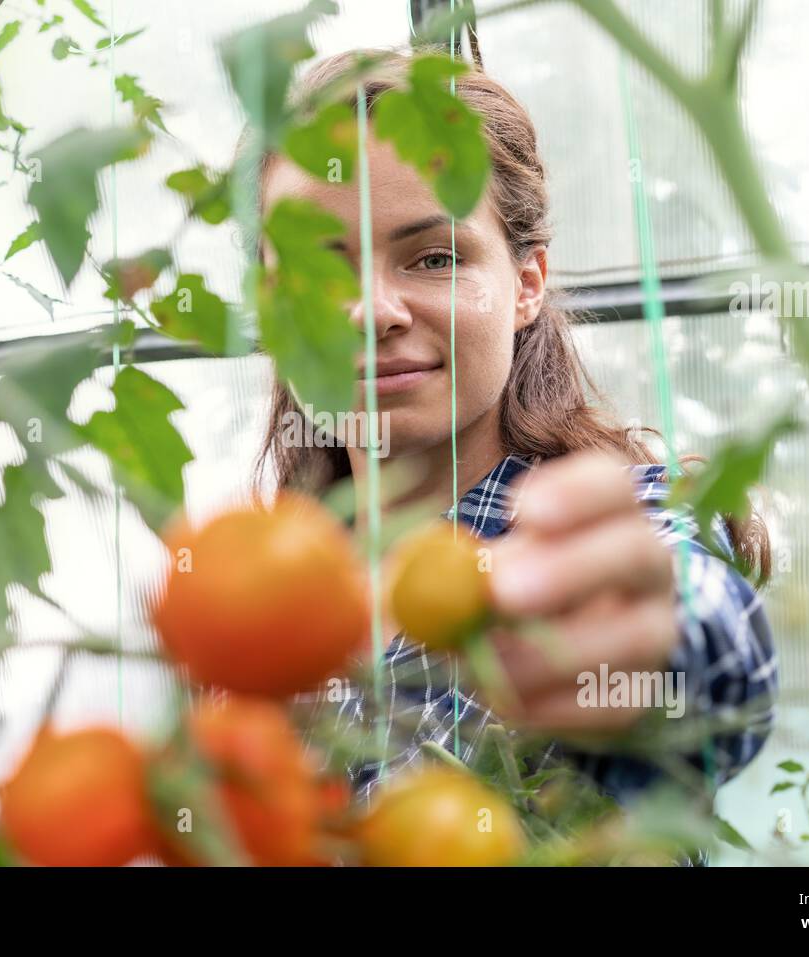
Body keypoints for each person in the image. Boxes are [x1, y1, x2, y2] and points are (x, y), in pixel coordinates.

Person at [249, 49, 777, 846]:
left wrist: (661, 641)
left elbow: (698, 632)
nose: (372, 310)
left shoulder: (600, 535)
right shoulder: (260, 600)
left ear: (527, 284)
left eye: (435, 257)